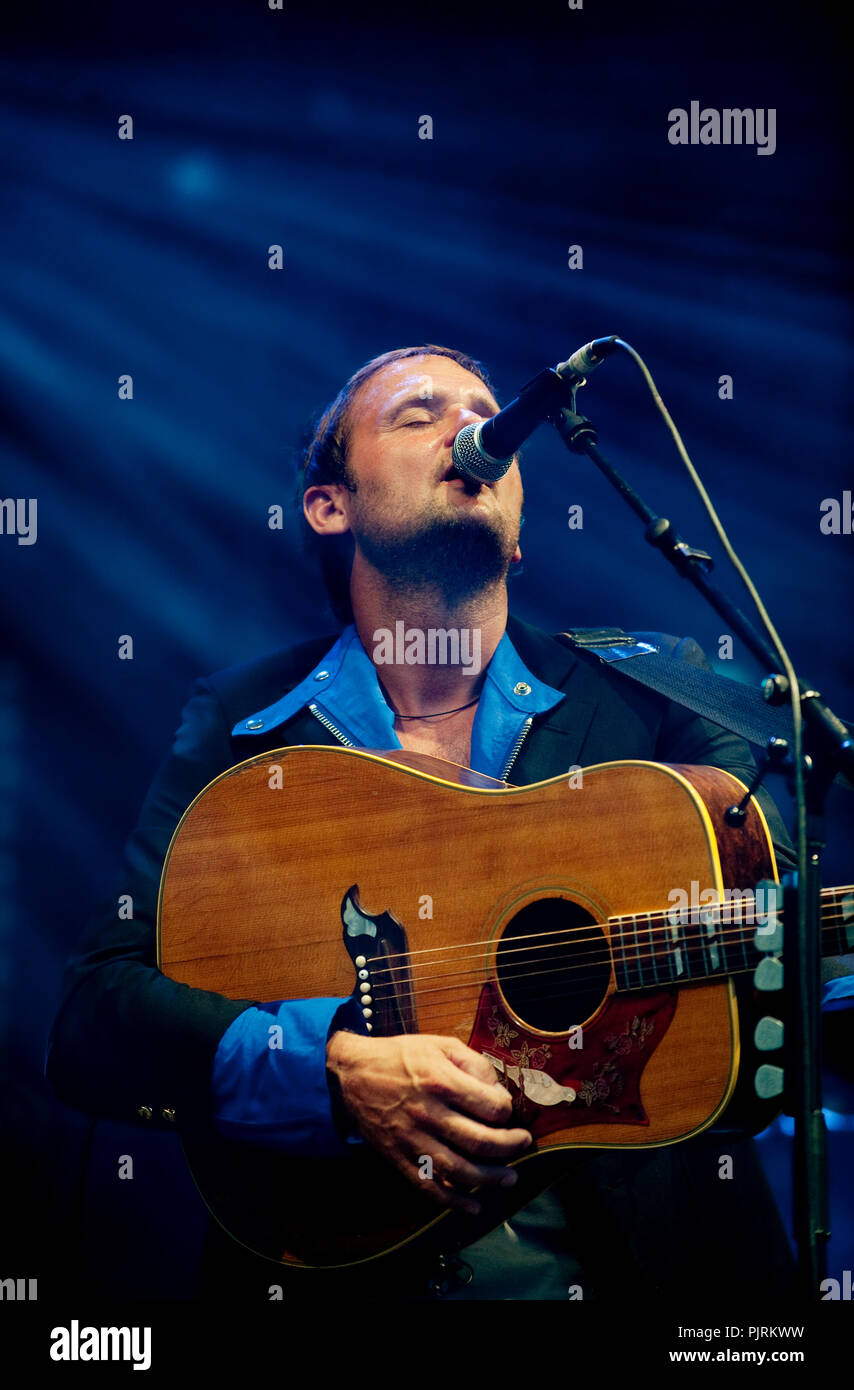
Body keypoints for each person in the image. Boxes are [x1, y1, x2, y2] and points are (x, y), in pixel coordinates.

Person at [46, 345, 851, 1302]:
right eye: (419, 414)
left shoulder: (660, 689)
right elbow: (96, 1024)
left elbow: (783, 944)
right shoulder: (241, 724)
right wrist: (335, 1070)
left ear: (518, 535)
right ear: (328, 504)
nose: (475, 431)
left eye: (483, 412)